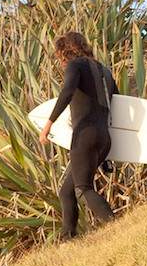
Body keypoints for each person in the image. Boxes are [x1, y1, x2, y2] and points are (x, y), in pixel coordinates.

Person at [37, 31, 118, 240]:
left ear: (64, 52)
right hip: (104, 137)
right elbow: (117, 101)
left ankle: (116, 226)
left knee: (83, 188)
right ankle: (67, 239)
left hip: (85, 136)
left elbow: (67, 92)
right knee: (66, 191)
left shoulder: (76, 66)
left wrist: (48, 124)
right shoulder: (104, 71)